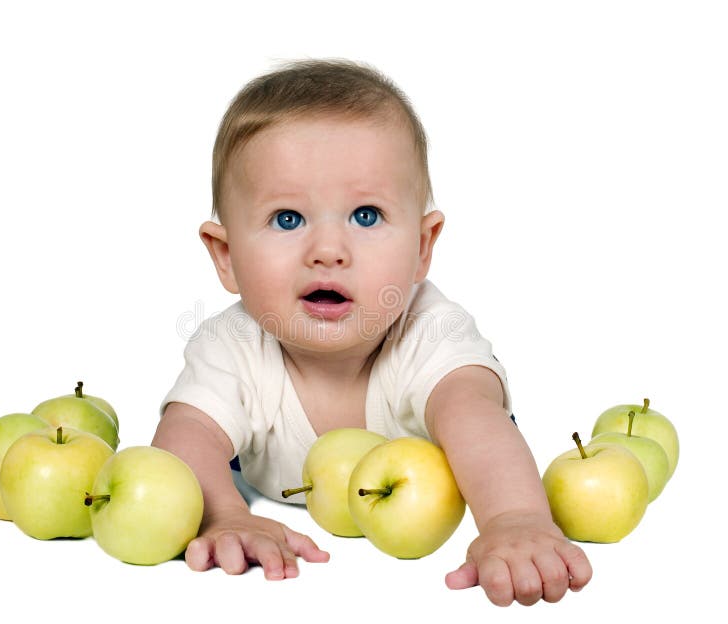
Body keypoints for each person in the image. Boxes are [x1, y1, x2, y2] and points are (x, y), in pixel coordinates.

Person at [152, 58, 592, 606]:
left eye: (366, 216)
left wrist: (515, 518)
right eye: (288, 219)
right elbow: (184, 435)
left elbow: (473, 417)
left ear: (422, 247)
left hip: (463, 468)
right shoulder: (233, 345)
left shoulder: (430, 331)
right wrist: (224, 515)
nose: (329, 252)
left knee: (470, 411)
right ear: (227, 257)